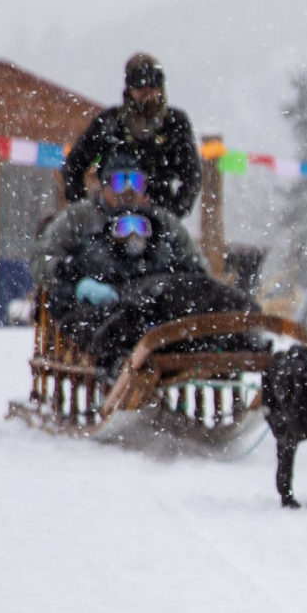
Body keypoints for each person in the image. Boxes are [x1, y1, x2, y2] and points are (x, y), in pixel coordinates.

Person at [32, 151, 258, 378]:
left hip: (160, 294)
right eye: (119, 182)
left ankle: (243, 332)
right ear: (103, 186)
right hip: (116, 300)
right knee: (135, 314)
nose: (129, 190)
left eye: (137, 182)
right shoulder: (79, 219)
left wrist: (188, 277)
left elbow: (194, 263)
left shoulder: (161, 222)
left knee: (196, 296)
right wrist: (73, 280)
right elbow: (43, 259)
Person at [60, 52, 202, 217]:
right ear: (129, 87)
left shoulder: (175, 124)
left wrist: (171, 216)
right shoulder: (109, 123)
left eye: (153, 82)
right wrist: (87, 213)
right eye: (139, 82)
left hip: (157, 217)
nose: (147, 89)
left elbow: (192, 176)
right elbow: (73, 166)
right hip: (111, 217)